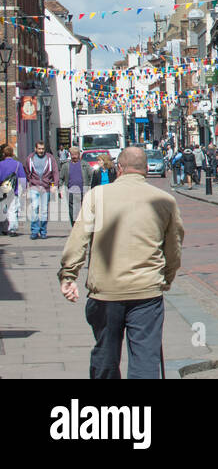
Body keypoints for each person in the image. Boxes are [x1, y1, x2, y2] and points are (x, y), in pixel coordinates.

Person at [58, 146, 184, 379]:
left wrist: (69, 275)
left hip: (106, 291)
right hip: (146, 291)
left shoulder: (97, 196)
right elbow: (174, 248)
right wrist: (166, 278)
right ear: (146, 170)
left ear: (119, 169)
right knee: (145, 359)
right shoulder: (165, 200)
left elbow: (79, 238)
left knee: (105, 355)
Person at [25, 141, 55, 239]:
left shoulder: (50, 158)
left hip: (46, 187)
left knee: (44, 211)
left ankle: (43, 231)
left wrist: (54, 185)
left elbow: (55, 171)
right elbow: (27, 171)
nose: (41, 151)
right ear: (35, 149)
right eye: (39, 149)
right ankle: (34, 231)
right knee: (34, 208)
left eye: (42, 149)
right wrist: (29, 183)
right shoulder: (30, 158)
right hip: (34, 186)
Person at [59, 149, 87, 226]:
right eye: (72, 155)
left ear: (79, 155)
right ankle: (74, 226)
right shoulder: (66, 166)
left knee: (82, 210)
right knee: (72, 211)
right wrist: (59, 189)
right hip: (71, 191)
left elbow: (91, 176)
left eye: (76, 154)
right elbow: (61, 178)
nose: (74, 156)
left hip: (83, 191)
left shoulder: (84, 165)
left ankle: (81, 226)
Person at [0, 146, 22, 236]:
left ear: (4, 154)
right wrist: (24, 190)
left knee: (3, 210)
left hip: (2, 190)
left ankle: (4, 228)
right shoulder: (18, 164)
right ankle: (12, 229)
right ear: (13, 154)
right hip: (13, 190)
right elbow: (22, 178)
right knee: (12, 209)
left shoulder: (0, 164)